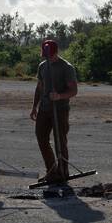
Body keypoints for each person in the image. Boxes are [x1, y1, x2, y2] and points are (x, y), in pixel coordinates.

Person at [31, 39, 79, 184]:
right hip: (44, 109)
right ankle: (52, 172)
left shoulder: (66, 68)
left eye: (50, 55)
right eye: (46, 55)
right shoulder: (42, 66)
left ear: (56, 52)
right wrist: (34, 106)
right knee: (42, 139)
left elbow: (73, 90)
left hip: (60, 110)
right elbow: (39, 87)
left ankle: (63, 172)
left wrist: (59, 96)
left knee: (60, 142)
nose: (48, 58)